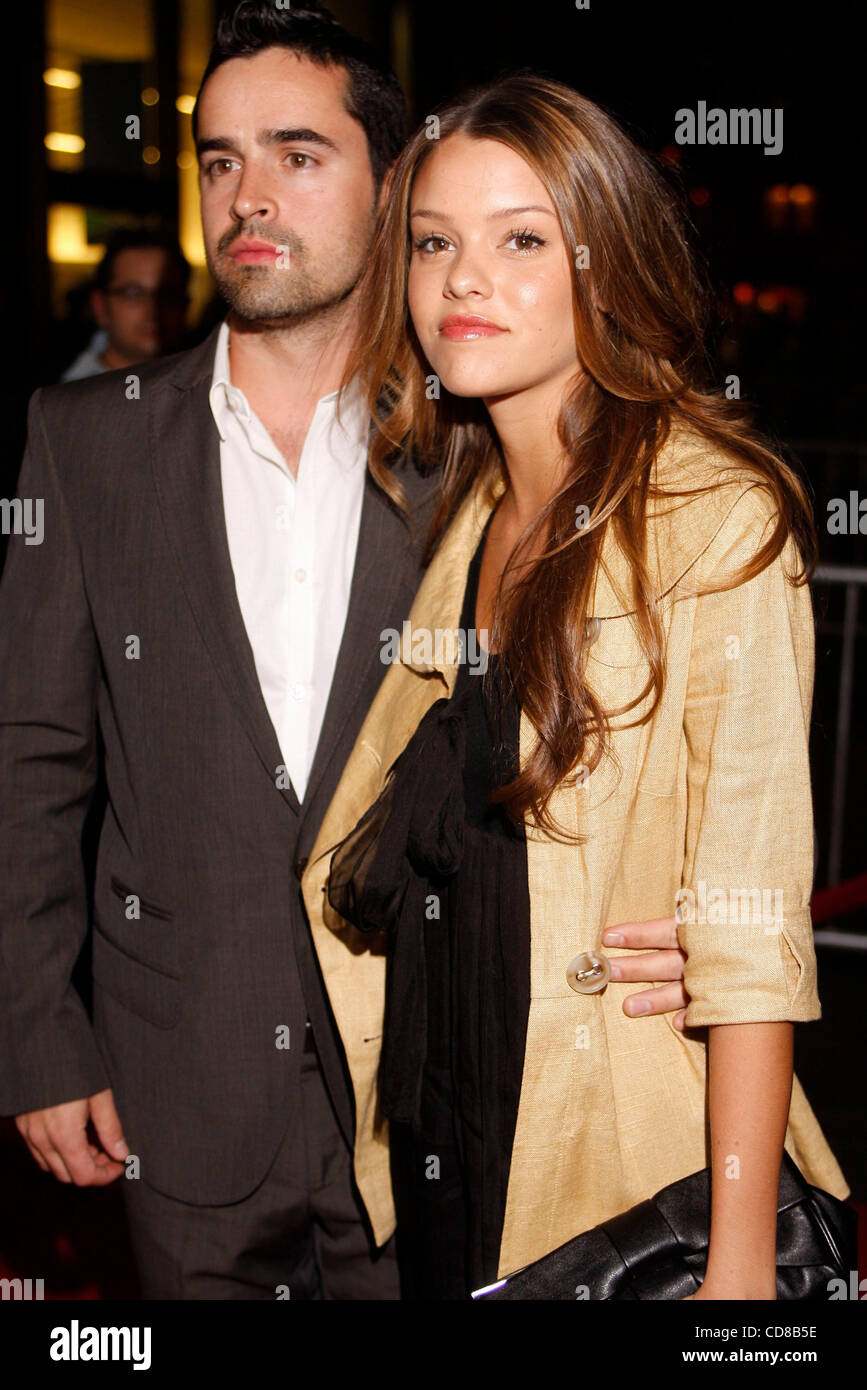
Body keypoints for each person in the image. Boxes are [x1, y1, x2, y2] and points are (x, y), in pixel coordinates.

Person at [0, 5, 690, 1300]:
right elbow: (27, 758)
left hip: (429, 1088)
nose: (246, 195)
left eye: (298, 154)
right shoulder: (85, 442)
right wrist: (34, 1033)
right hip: (176, 1081)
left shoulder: (486, 447)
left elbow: (647, 713)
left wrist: (699, 916)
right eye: (219, 159)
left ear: (390, 185)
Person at [301, 73, 851, 1301]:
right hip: (447, 1095)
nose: (463, 280)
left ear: (608, 265)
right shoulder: (477, 508)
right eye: (435, 242)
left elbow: (752, 928)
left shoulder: (712, 511)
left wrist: (743, 1268)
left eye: (521, 240)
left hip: (601, 1131)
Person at [61, 229, 190, 381]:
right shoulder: (75, 396)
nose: (152, 309)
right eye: (133, 294)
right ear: (100, 306)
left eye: (167, 294)